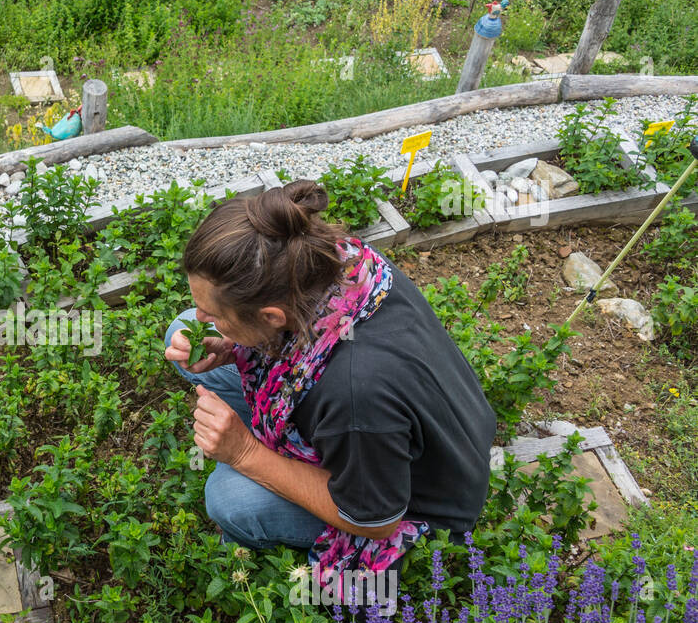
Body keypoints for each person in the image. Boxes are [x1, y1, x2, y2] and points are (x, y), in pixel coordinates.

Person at [163, 180, 496, 585]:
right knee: (180, 329)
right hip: (400, 431)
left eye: (214, 314)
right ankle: (279, 431)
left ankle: (268, 467)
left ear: (271, 317)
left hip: (415, 502)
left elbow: (374, 522)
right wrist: (234, 344)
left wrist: (244, 452)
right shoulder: (338, 261)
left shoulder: (353, 395)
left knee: (230, 497)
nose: (204, 320)